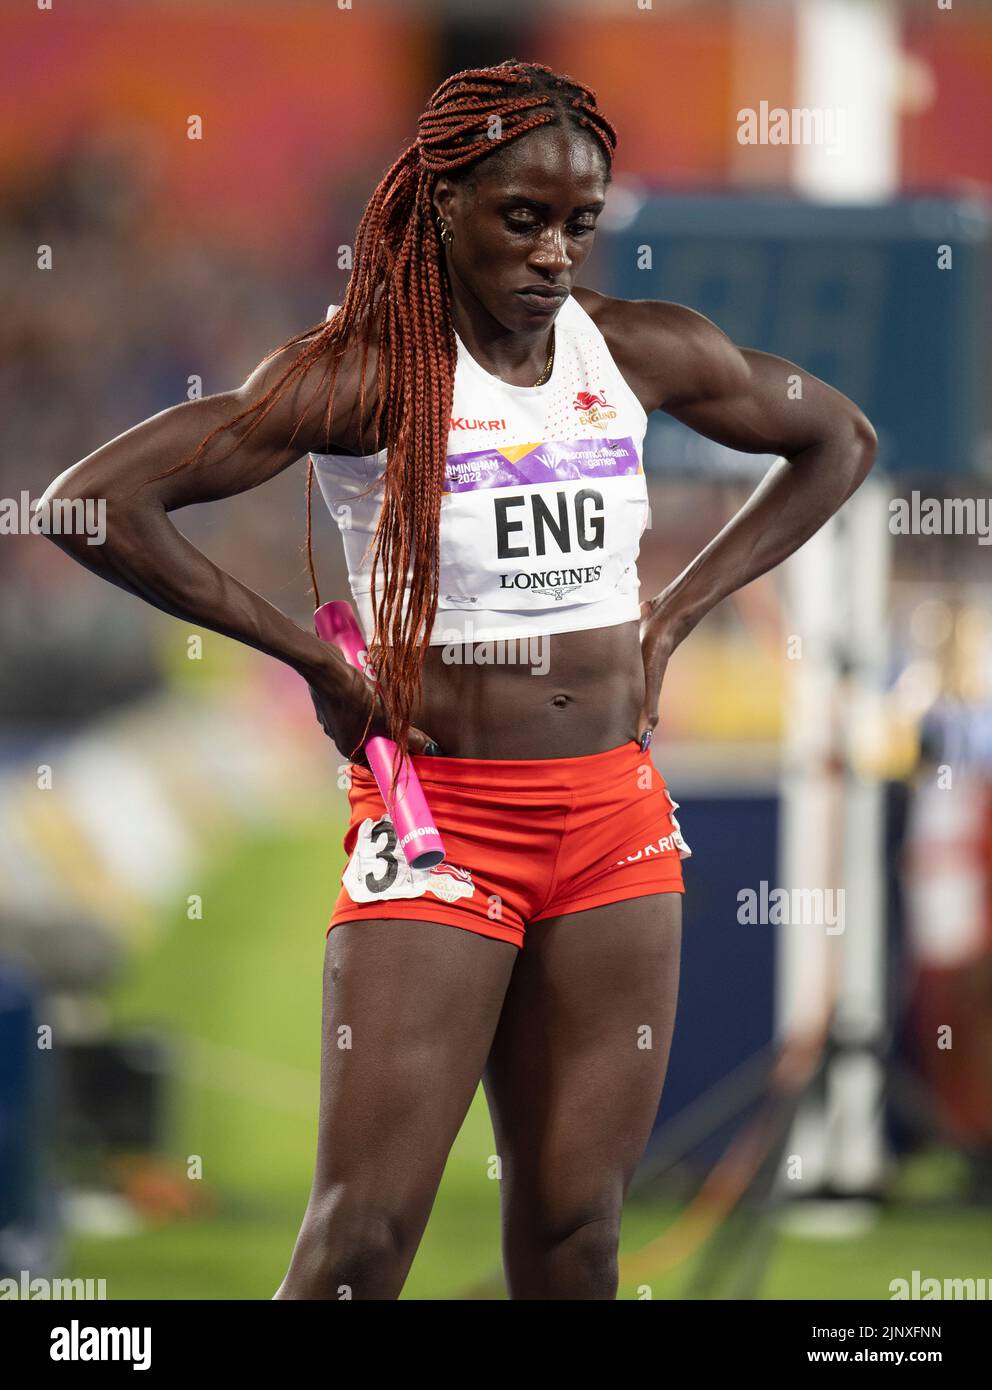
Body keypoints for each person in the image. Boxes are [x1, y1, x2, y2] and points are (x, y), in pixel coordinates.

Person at [39, 60, 877, 1300]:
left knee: (572, 1237)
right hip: (443, 831)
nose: (552, 252)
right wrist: (308, 654)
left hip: (614, 828)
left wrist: (673, 614)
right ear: (441, 206)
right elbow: (91, 504)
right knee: (361, 1240)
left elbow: (837, 440)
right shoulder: (364, 373)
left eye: (577, 222)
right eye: (521, 218)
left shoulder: (637, 350)